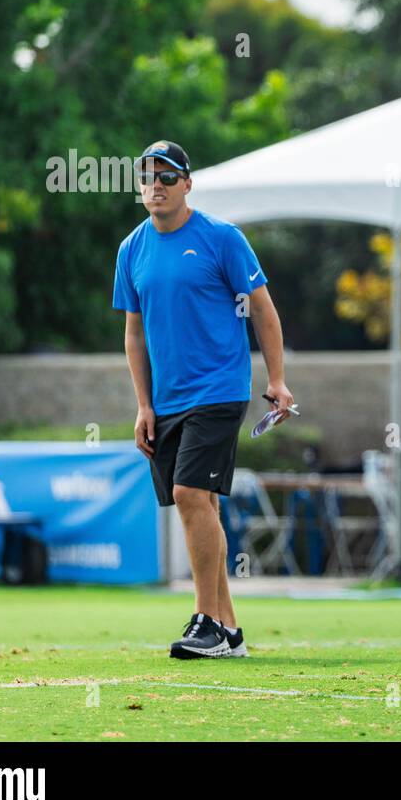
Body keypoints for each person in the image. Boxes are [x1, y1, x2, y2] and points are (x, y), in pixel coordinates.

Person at [113, 140, 294, 659]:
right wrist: (143, 405)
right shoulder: (132, 249)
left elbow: (263, 311)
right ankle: (230, 630)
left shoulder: (221, 238)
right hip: (166, 402)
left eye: (167, 177)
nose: (156, 185)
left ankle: (205, 621)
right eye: (147, 177)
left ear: (187, 184)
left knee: (191, 496)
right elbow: (134, 332)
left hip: (219, 390)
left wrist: (277, 379)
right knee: (201, 505)